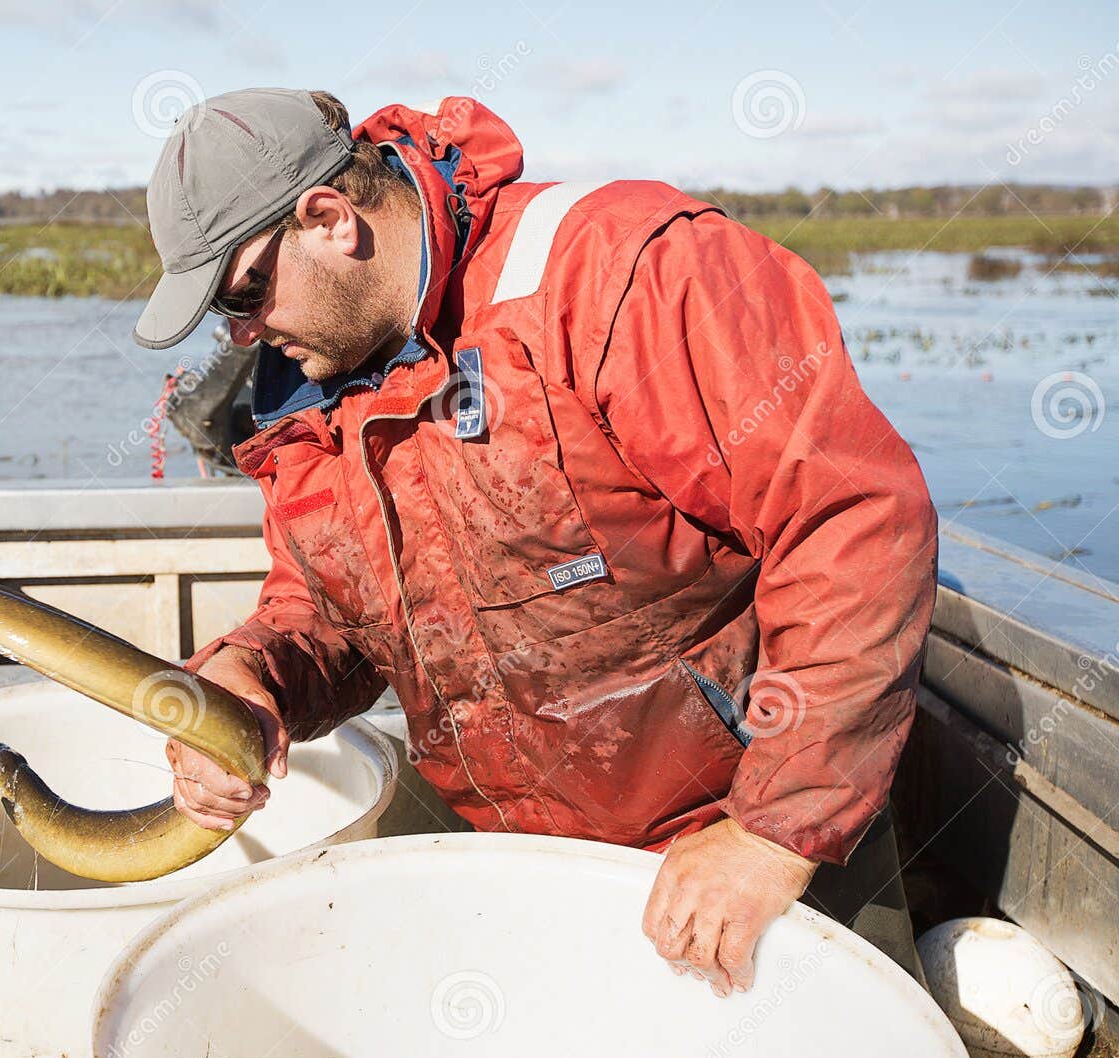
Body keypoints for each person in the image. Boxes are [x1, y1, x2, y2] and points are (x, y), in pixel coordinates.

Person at [133, 88, 937, 995]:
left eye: (244, 293)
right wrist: (255, 674)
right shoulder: (311, 385)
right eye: (219, 316)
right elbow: (331, 612)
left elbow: (853, 518)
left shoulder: (620, 272)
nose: (243, 336)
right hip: (519, 858)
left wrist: (772, 833)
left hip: (747, 844)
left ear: (330, 219)